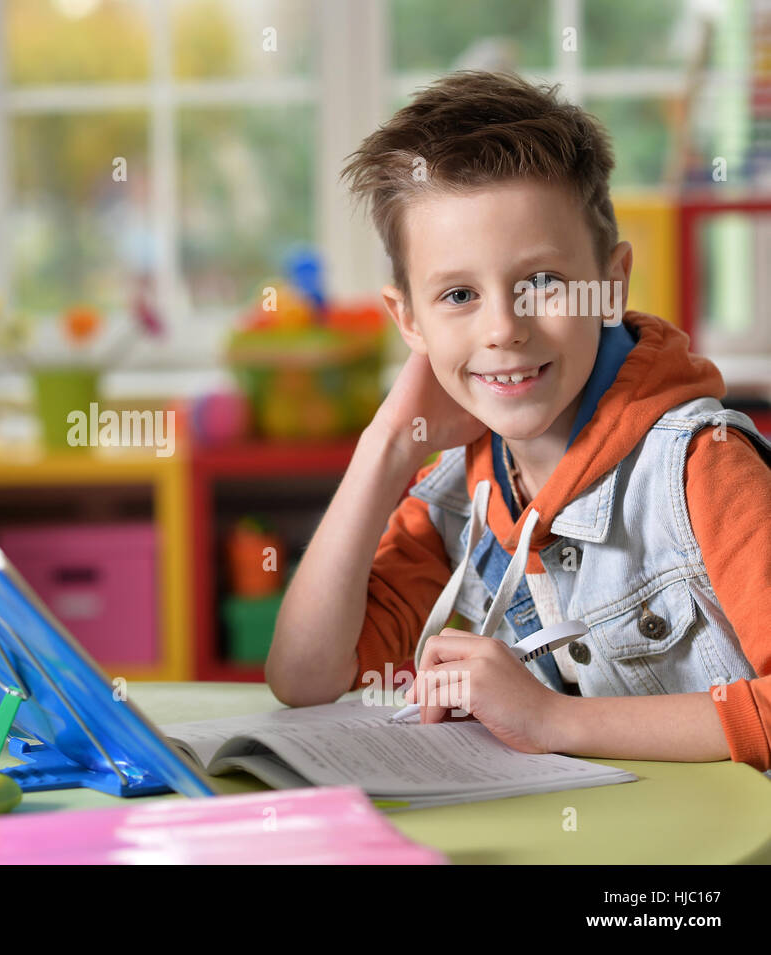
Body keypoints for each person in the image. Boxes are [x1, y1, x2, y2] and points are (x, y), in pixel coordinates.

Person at [266, 70, 771, 772]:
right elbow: (305, 676)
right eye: (460, 294)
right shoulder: (456, 493)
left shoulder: (703, 467)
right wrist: (384, 446)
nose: (503, 328)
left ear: (611, 283)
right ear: (408, 319)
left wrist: (551, 718)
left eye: (541, 282)